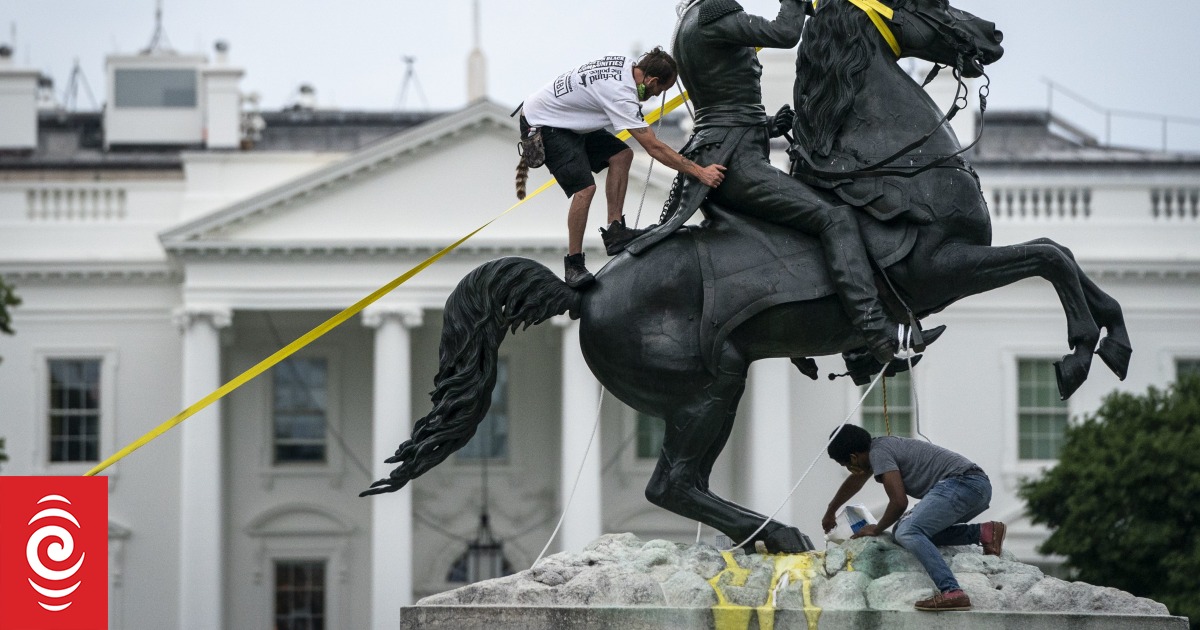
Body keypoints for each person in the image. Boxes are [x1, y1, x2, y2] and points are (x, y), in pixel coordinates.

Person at [627, 0, 902, 363]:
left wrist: (767, 125)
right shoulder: (713, 14)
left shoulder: (689, 21)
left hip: (726, 148)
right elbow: (786, 33)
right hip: (734, 163)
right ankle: (873, 333)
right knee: (834, 218)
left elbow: (722, 102)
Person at [517, 47, 727, 289]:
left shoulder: (627, 65)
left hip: (567, 119)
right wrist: (701, 172)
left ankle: (615, 230)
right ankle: (573, 264)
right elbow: (654, 148)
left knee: (622, 154)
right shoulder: (621, 95)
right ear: (652, 80)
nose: (657, 96)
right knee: (585, 189)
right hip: (543, 123)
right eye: (661, 90)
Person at [823, 424, 1007, 611]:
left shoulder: (879, 453)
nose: (850, 470)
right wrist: (831, 510)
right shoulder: (878, 450)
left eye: (846, 465)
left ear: (853, 457)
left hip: (963, 483)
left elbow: (899, 502)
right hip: (976, 487)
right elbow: (857, 481)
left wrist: (875, 528)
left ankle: (952, 591)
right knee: (909, 535)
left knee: (907, 531)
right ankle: (984, 533)